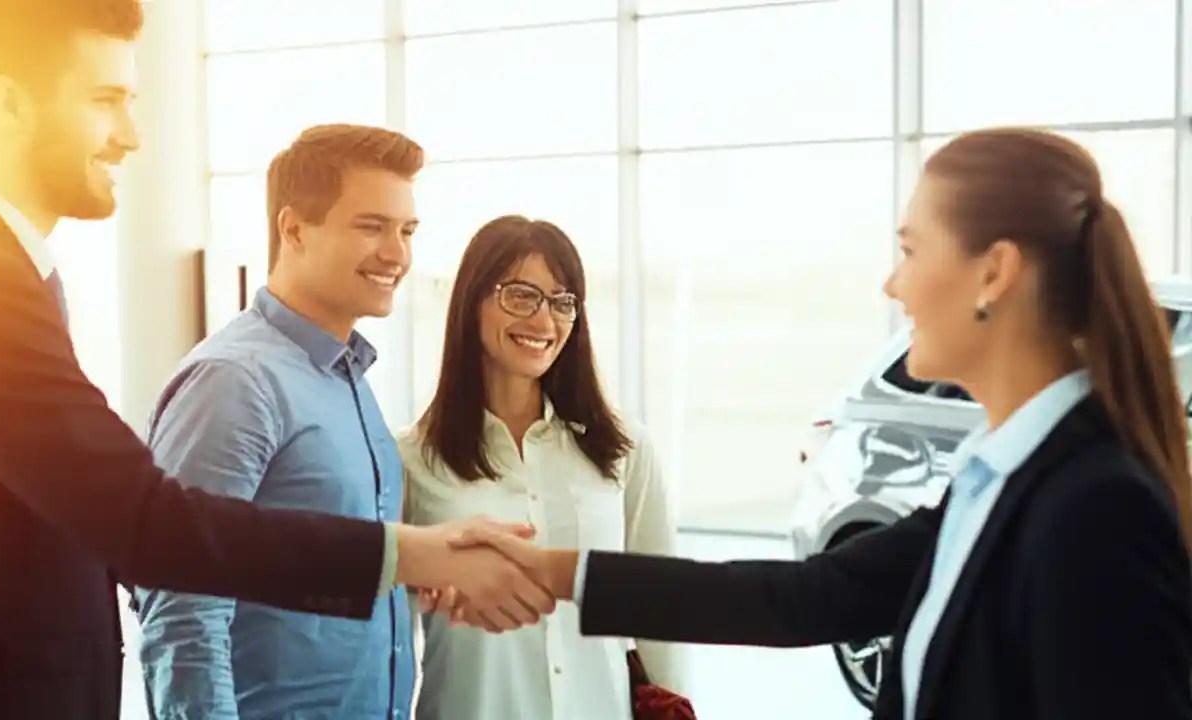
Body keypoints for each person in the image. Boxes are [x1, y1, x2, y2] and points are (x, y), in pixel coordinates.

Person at [0, 3, 550, 718]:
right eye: (104, 101)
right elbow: (150, 530)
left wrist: (406, 573)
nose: (131, 136)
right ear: (7, 105)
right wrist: (413, 554)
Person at [448, 129, 1192, 719]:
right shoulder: (997, 477)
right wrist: (551, 571)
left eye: (909, 250)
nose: (892, 283)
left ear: (993, 272)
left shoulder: (1096, 507)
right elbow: (804, 597)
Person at [133, 123, 426, 720]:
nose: (397, 253)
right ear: (292, 229)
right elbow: (183, 611)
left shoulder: (347, 379)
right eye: (371, 226)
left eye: (406, 231)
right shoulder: (235, 382)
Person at [401, 215, 681, 720]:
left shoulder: (624, 448)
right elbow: (389, 640)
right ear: (471, 303)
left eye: (561, 301)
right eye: (521, 295)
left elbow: (658, 607)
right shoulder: (412, 460)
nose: (544, 321)